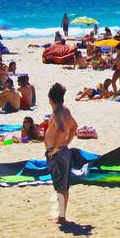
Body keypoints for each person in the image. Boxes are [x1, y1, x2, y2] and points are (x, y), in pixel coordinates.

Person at [44, 83, 78, 227]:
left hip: (57, 153)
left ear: (51, 99)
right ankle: (61, 216)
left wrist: (56, 148)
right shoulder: (66, 110)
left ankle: (62, 217)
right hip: (62, 151)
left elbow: (62, 128)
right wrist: (66, 143)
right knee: (63, 186)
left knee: (60, 187)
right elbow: (74, 127)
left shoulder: (57, 113)